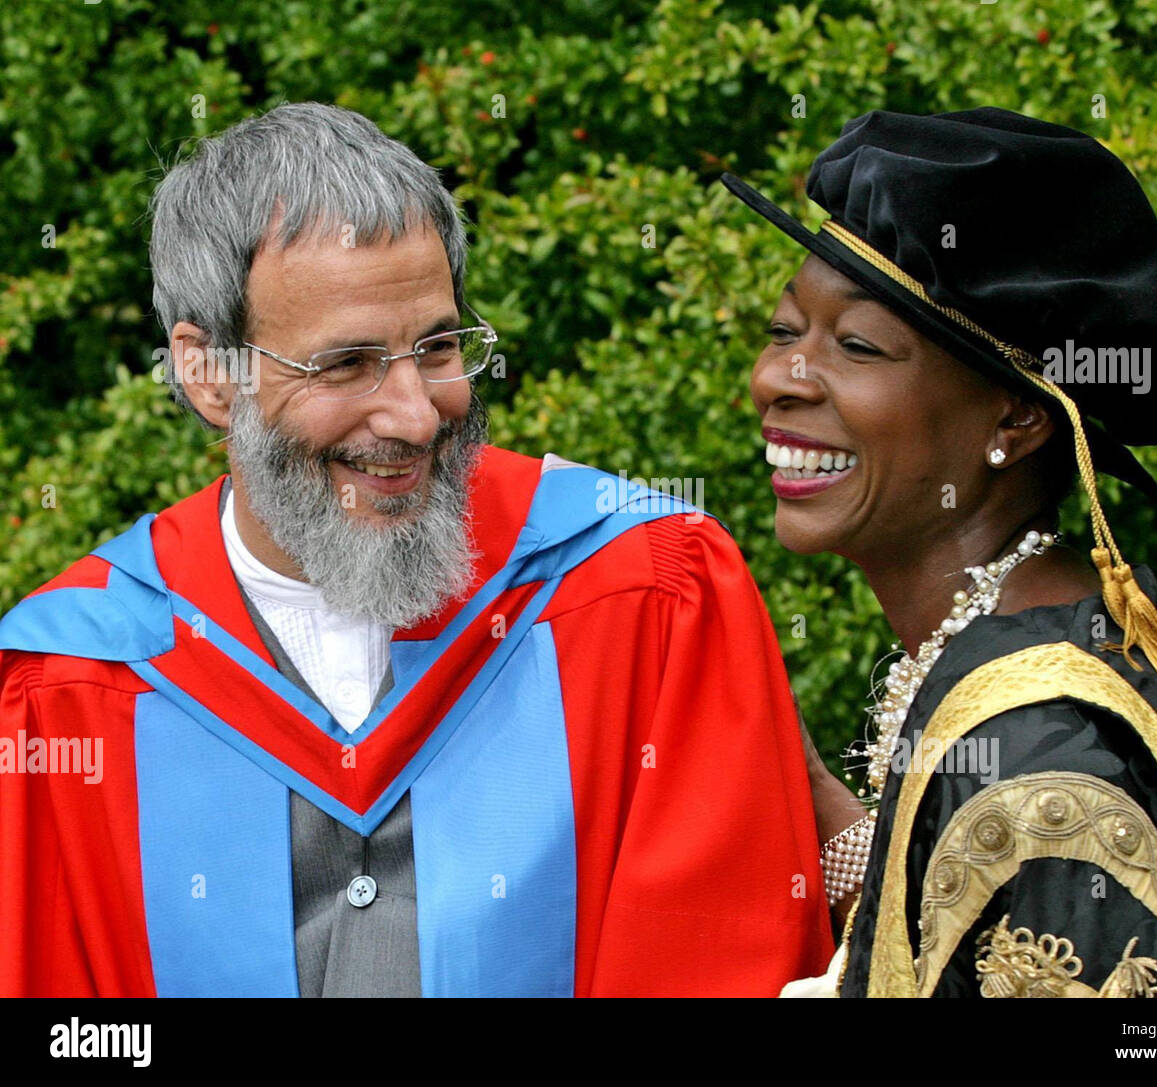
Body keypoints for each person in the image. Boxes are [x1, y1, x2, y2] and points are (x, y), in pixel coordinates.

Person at [0, 102, 832, 997]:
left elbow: (719, 966)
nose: (414, 413)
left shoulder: (644, 588)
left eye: (437, 346)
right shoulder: (73, 682)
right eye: (346, 363)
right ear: (208, 373)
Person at [722, 107, 1157, 997]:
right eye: (783, 331)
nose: (777, 379)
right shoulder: (1040, 632)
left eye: (856, 346)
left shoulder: (1039, 780)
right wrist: (801, 789)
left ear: (1017, 416)